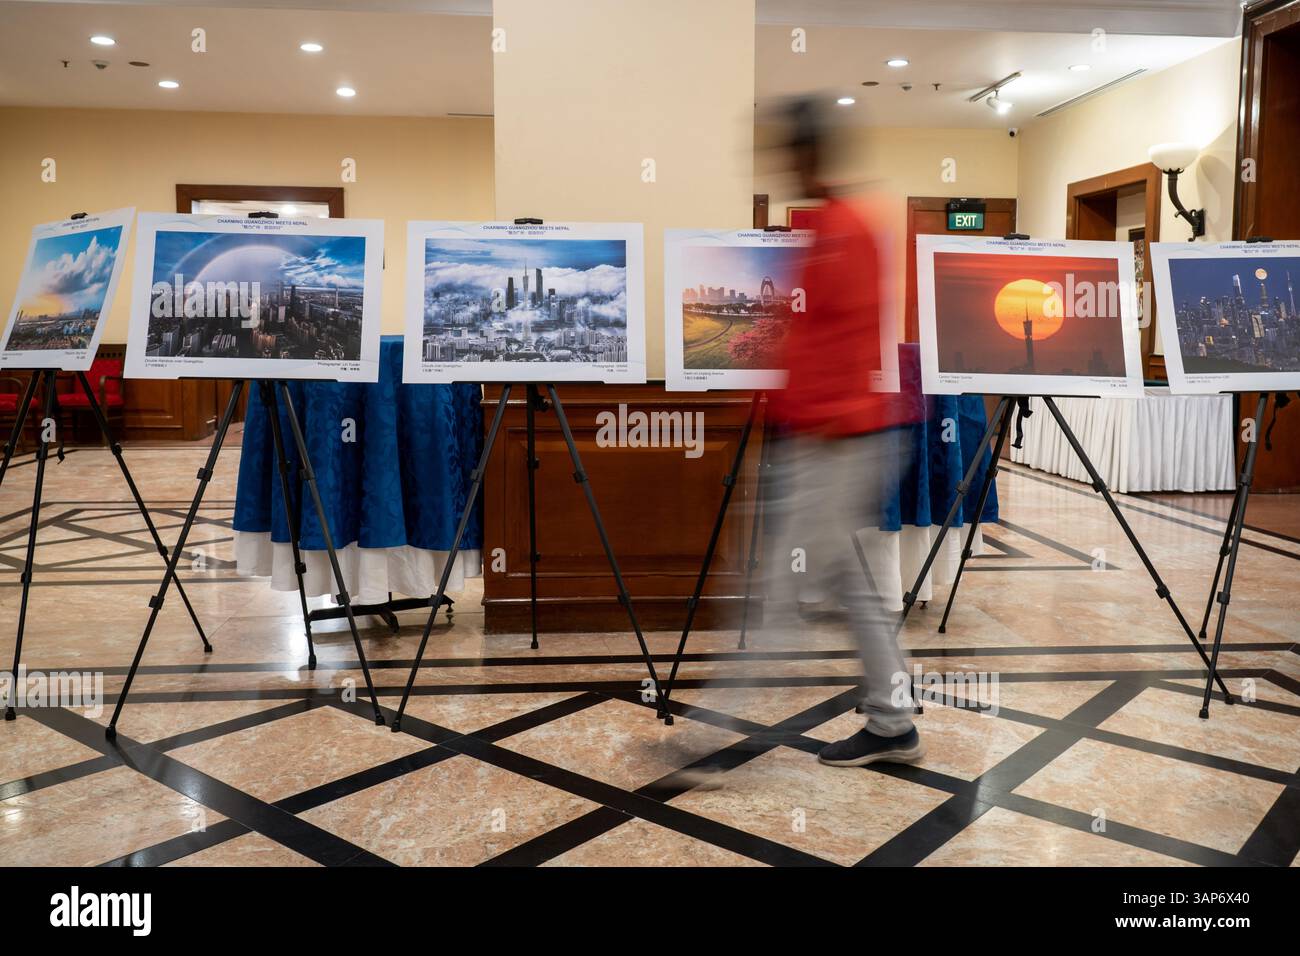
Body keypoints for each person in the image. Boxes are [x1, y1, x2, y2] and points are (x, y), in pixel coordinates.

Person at [771, 97, 923, 767]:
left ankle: (711, 739)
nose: (785, 165)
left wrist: (818, 423)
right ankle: (893, 721)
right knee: (846, 581)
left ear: (812, 153)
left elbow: (851, 340)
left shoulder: (847, 230)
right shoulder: (826, 227)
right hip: (822, 434)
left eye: (790, 153)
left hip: (842, 437)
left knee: (777, 586)